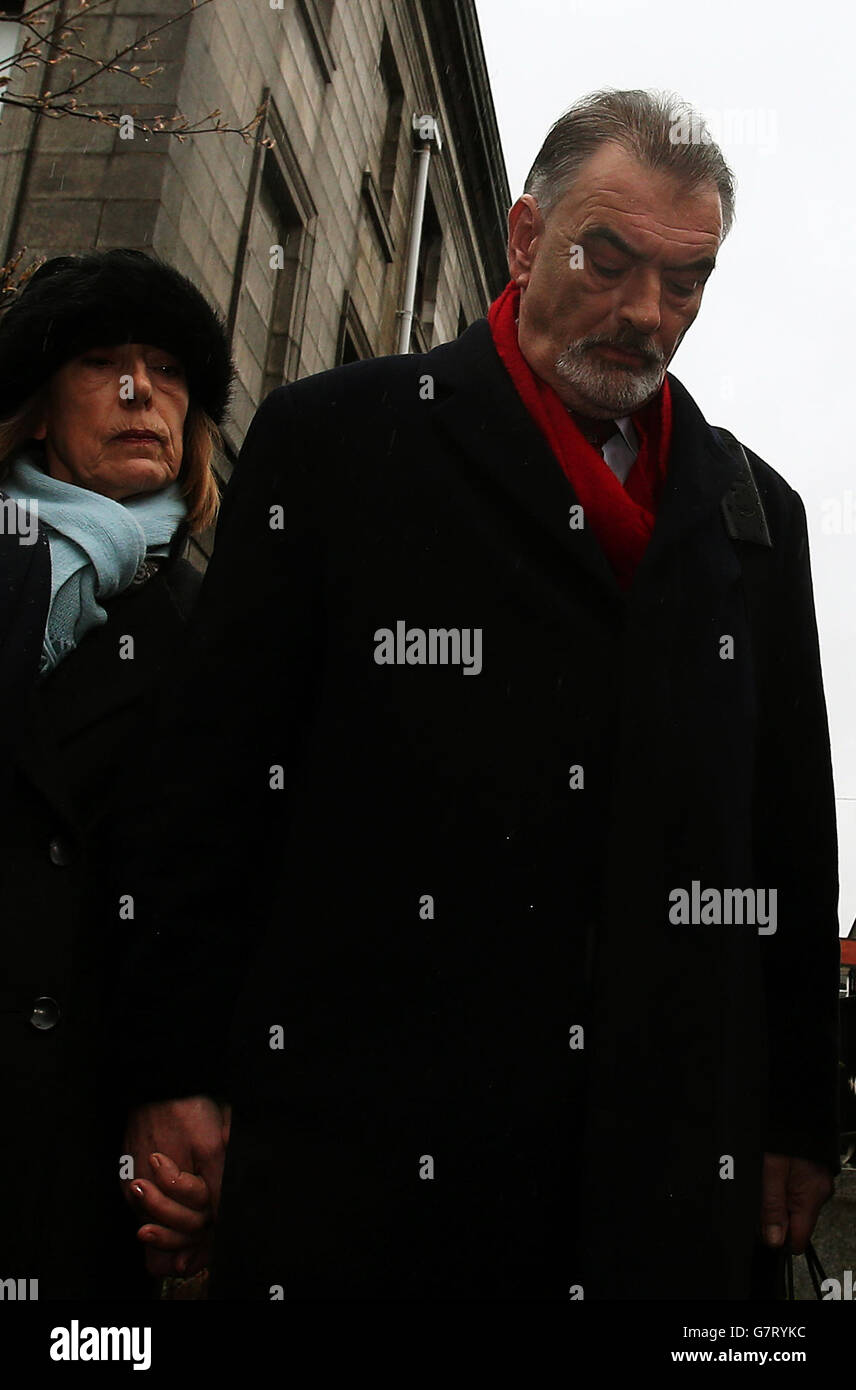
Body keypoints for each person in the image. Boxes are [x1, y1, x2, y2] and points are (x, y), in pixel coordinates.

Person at [114, 89, 840, 1299]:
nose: (646, 314)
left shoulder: (755, 520)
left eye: (686, 279)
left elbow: (788, 842)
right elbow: (205, 794)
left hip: (658, 1202)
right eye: (606, 261)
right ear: (521, 237)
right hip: (362, 1180)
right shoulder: (335, 448)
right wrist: (172, 1069)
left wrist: (797, 1117)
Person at [0, 249, 233, 1298]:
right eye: (103, 363)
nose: (142, 392)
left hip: (88, 1164)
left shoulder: (223, 628)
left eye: (170, 371)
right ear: (40, 408)